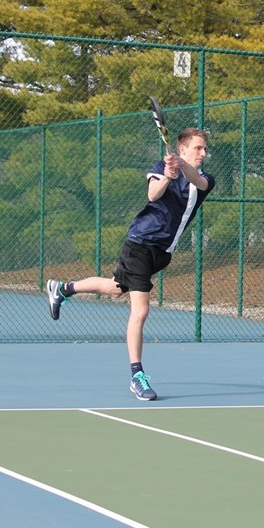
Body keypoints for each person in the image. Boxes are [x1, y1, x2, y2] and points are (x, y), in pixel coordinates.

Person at [46, 127, 214, 401]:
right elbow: (153, 195)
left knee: (115, 289)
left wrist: (181, 167)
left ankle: (63, 289)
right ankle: (137, 375)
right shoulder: (161, 166)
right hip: (141, 244)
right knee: (141, 310)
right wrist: (168, 176)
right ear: (183, 148)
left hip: (162, 253)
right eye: (198, 148)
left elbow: (198, 181)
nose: (203, 153)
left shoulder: (204, 179)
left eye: (205, 149)